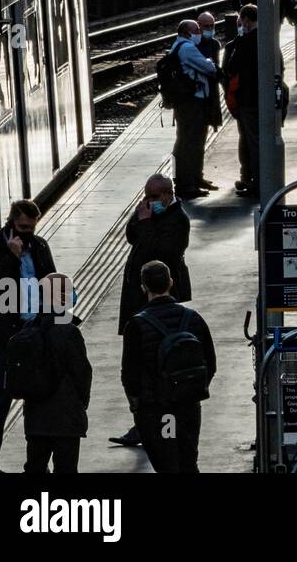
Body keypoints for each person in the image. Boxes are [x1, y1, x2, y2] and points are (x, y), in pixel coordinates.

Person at [0, 200, 57, 473]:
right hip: (7, 338)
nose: (27, 233)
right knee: (1, 399)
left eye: (32, 228)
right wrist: (11, 257)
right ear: (10, 223)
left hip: (37, 332)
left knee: (41, 397)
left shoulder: (40, 246)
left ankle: (37, 464)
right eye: (22, 227)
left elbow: (51, 282)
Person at [109, 173, 192, 448]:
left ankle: (156, 423)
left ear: (168, 195)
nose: (149, 202)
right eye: (147, 196)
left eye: (155, 197)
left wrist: (145, 224)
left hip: (160, 302)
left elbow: (163, 253)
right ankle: (142, 423)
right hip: (137, 301)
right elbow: (133, 237)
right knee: (136, 368)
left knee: (158, 366)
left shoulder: (179, 220)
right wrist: (140, 220)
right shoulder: (147, 213)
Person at [120, 260, 217, 474]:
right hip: (188, 405)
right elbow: (210, 363)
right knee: (188, 461)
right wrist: (192, 390)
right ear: (171, 282)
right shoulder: (193, 319)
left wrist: (138, 405)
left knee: (168, 463)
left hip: (157, 409)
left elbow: (130, 374)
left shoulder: (136, 325)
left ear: (143, 287)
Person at [22, 274, 91, 475]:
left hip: (35, 416)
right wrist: (82, 402)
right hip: (66, 416)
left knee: (34, 466)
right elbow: (82, 372)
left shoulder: (28, 328)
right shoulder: (69, 331)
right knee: (66, 467)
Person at [170, 20, 217, 199]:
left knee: (188, 141)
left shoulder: (177, 45)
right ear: (187, 33)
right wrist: (209, 62)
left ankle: (194, 178)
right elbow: (209, 68)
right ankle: (187, 184)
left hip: (184, 102)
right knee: (190, 143)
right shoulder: (187, 48)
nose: (199, 32)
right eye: (196, 29)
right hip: (192, 103)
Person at [222, 4, 261, 196]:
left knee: (252, 141)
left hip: (248, 99)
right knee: (256, 140)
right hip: (265, 98)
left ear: (246, 20)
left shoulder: (246, 41)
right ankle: (253, 179)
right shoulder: (269, 37)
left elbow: (231, 66)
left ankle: (257, 182)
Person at [196, 11, 223, 136]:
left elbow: (216, 68)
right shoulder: (193, 44)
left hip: (211, 89)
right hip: (197, 90)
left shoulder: (215, 44)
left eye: (212, 26)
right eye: (206, 26)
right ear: (199, 26)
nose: (210, 29)